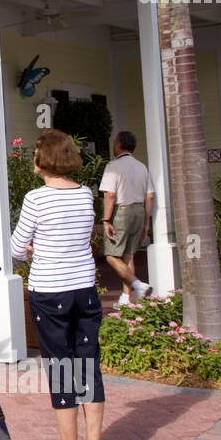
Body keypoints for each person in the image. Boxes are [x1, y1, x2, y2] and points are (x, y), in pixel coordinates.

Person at [11, 129, 105, 440]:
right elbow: (80, 238)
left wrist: (35, 251)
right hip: (85, 291)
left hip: (51, 292)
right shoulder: (85, 194)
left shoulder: (36, 199)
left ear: (44, 159)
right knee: (88, 364)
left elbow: (16, 248)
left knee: (62, 369)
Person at [99, 131, 155, 309]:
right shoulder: (141, 166)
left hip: (121, 211)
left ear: (119, 145)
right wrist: (146, 222)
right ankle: (125, 297)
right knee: (128, 255)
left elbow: (110, 194)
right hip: (139, 210)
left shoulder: (113, 166)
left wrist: (106, 220)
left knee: (111, 256)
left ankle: (138, 285)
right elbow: (150, 196)